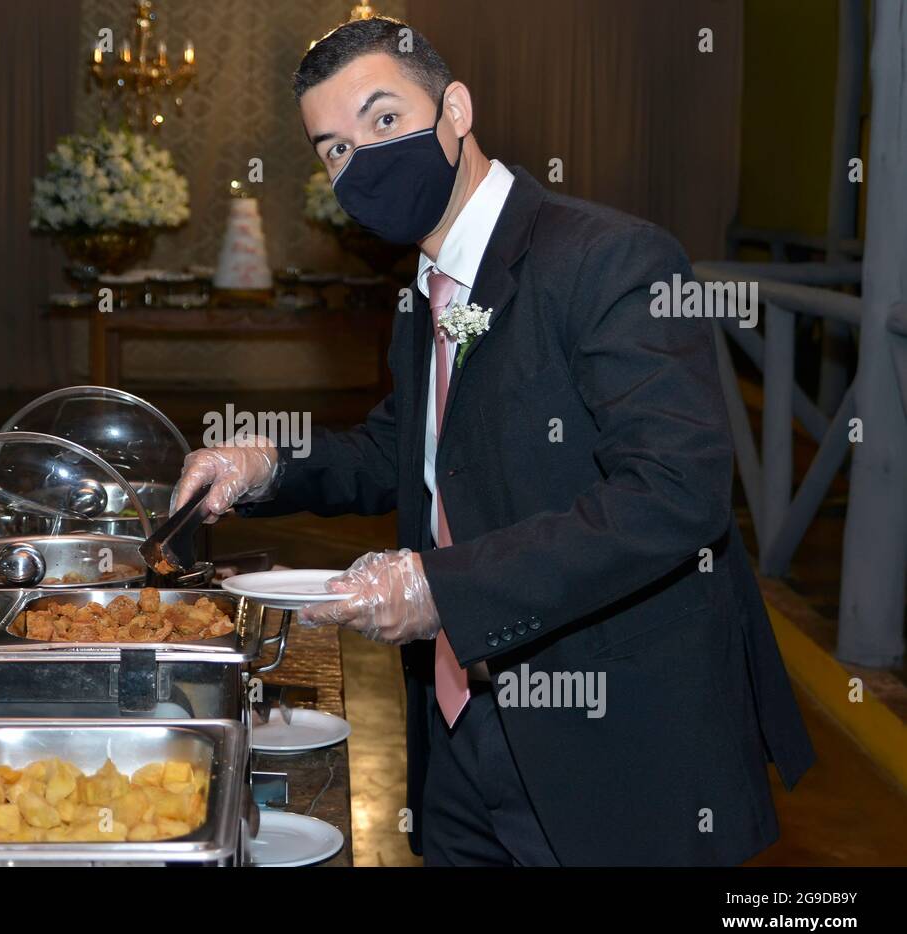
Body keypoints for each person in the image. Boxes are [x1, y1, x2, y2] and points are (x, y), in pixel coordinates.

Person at [172, 16, 813, 865]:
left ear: (457, 110)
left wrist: (441, 588)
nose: (360, 160)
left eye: (384, 121)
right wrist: (263, 465)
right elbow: (404, 453)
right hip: (459, 731)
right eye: (333, 149)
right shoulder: (425, 288)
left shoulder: (610, 260)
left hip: (610, 746)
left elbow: (674, 496)